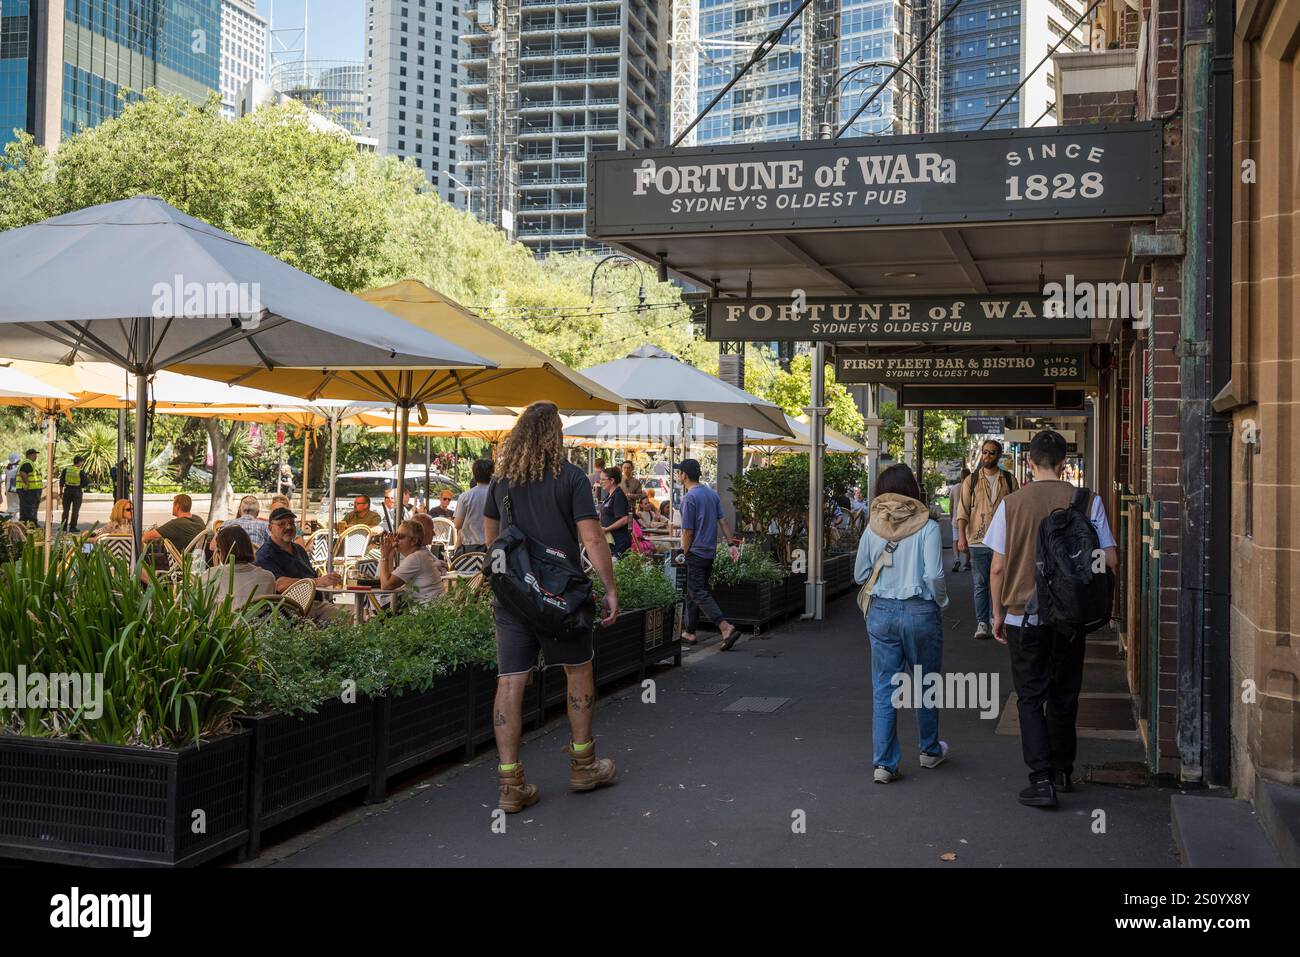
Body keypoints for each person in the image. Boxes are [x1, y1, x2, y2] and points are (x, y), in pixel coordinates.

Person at [483, 401, 619, 813]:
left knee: (510, 682)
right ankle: (583, 765)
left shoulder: (500, 481)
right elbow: (593, 540)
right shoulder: (572, 478)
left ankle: (510, 784)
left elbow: (492, 544)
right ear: (554, 436)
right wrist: (610, 588)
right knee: (578, 672)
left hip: (514, 598)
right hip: (562, 598)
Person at [986, 430, 1117, 808]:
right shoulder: (1086, 501)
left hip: (1021, 618)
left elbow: (997, 567)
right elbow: (1110, 559)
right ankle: (1063, 769)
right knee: (1064, 694)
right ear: (1064, 463)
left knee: (1030, 698)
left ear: (1029, 463)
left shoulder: (1011, 503)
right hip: (1070, 617)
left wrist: (996, 613)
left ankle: (1041, 779)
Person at [855, 464, 949, 784]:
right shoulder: (929, 528)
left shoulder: (872, 529)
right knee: (925, 684)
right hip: (920, 611)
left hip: (881, 612)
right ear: (913, 490)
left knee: (885, 688)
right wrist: (941, 601)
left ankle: (884, 763)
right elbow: (934, 575)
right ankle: (929, 751)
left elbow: (858, 575)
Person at [954, 440, 1018, 640]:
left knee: (1002, 582)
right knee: (980, 583)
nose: (987, 456)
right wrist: (961, 537)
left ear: (999, 455)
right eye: (985, 452)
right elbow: (962, 511)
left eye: (992, 453)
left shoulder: (1009, 480)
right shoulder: (970, 481)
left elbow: (1016, 511)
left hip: (1002, 540)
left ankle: (996, 618)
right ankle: (982, 623)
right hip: (977, 540)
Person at [676, 458, 743, 650]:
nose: (678, 475)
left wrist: (684, 552)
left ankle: (725, 627)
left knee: (697, 591)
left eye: (679, 472)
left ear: (684, 476)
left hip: (695, 552)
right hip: (709, 552)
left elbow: (688, 531)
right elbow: (723, 522)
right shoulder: (711, 494)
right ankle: (690, 631)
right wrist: (731, 544)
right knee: (693, 591)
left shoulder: (689, 498)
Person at [254, 507, 344, 622]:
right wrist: (317, 582)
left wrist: (328, 581)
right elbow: (279, 584)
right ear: (270, 528)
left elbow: (313, 576)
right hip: (290, 609)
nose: (288, 527)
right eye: (282, 524)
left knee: (347, 619)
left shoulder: (299, 550)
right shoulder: (265, 554)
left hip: (315, 604)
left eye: (291, 523)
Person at [203, 524, 277, 608]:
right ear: (249, 546)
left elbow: (201, 608)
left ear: (221, 551)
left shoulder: (211, 576)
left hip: (224, 620)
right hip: (258, 621)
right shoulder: (268, 577)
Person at [378, 519, 446, 604]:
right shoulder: (420, 555)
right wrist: (390, 553)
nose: (395, 539)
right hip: (432, 609)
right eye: (395, 535)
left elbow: (386, 586)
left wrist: (384, 555)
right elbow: (391, 580)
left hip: (426, 613)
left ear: (414, 541)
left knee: (381, 612)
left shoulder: (416, 558)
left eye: (400, 536)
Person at [141, 494, 206, 560]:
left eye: (173, 504)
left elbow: (146, 537)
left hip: (180, 563)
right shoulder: (198, 519)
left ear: (177, 506)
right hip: (195, 561)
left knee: (144, 558)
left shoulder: (177, 523)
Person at [453, 458, 493, 553]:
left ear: (474, 474)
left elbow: (458, 524)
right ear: (492, 474)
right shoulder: (497, 495)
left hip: (470, 550)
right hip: (492, 549)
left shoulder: (465, 497)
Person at [597, 466, 632, 558]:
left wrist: (607, 529)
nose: (600, 482)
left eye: (603, 479)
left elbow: (624, 519)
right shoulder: (609, 495)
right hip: (611, 539)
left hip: (619, 540)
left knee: (617, 569)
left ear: (612, 480)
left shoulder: (618, 495)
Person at [58, 455, 86, 532]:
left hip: (67, 491)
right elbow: (85, 483)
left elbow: (61, 482)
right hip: (77, 491)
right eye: (82, 462)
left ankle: (63, 527)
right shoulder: (81, 472)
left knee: (65, 510)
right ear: (80, 462)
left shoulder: (66, 470)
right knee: (75, 510)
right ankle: (72, 527)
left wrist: (61, 492)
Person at [952, 467, 972, 572]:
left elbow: (951, 504)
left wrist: (952, 516)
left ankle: (956, 559)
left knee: (955, 540)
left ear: (961, 477)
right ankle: (966, 563)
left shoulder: (955, 488)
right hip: (968, 519)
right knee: (968, 540)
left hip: (956, 518)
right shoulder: (971, 487)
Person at [14, 448, 42, 524]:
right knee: (30, 508)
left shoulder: (29, 463)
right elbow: (23, 472)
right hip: (29, 490)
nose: (36, 456)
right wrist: (27, 484)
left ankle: (25, 525)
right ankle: (32, 525)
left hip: (30, 490)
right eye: (35, 454)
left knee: (26, 509)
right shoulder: (27, 462)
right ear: (30, 455)